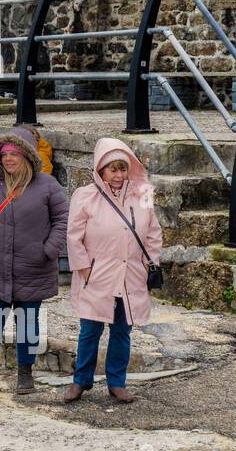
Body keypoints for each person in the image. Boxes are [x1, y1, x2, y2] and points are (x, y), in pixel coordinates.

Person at [0, 127, 69, 397]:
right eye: (3, 153)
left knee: (27, 324)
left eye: (14, 153)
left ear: (27, 155)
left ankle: (25, 373)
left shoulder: (47, 185)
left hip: (32, 267)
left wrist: (48, 250)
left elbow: (62, 219)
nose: (8, 158)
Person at [63, 138, 163, 404]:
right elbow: (74, 236)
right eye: (112, 169)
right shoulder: (85, 196)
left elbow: (153, 234)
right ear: (101, 170)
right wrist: (84, 269)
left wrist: (148, 263)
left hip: (130, 275)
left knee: (122, 331)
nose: (118, 175)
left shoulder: (141, 196)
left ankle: (116, 382)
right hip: (96, 275)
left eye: (122, 168)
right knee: (90, 331)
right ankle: (80, 380)